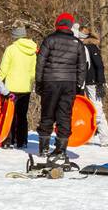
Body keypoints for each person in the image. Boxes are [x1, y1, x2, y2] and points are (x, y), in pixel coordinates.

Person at [34, 13, 88, 159]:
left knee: (47, 114)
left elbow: (40, 64)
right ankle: (61, 150)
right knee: (64, 116)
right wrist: (78, 86)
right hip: (69, 83)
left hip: (50, 82)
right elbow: (82, 67)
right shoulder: (78, 44)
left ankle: (44, 148)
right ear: (70, 26)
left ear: (57, 24)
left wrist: (39, 83)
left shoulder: (49, 40)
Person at [0, 26, 37, 150]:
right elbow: (34, 70)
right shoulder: (33, 50)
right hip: (26, 87)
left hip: (12, 88)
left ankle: (8, 141)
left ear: (15, 36)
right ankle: (22, 141)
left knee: (9, 114)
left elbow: (4, 69)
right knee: (22, 115)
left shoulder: (11, 49)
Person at [77, 26, 108, 147]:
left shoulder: (91, 47)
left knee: (97, 109)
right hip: (84, 82)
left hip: (93, 83)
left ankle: (105, 138)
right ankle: (88, 135)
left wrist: (101, 82)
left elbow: (99, 66)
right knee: (86, 110)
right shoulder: (83, 47)